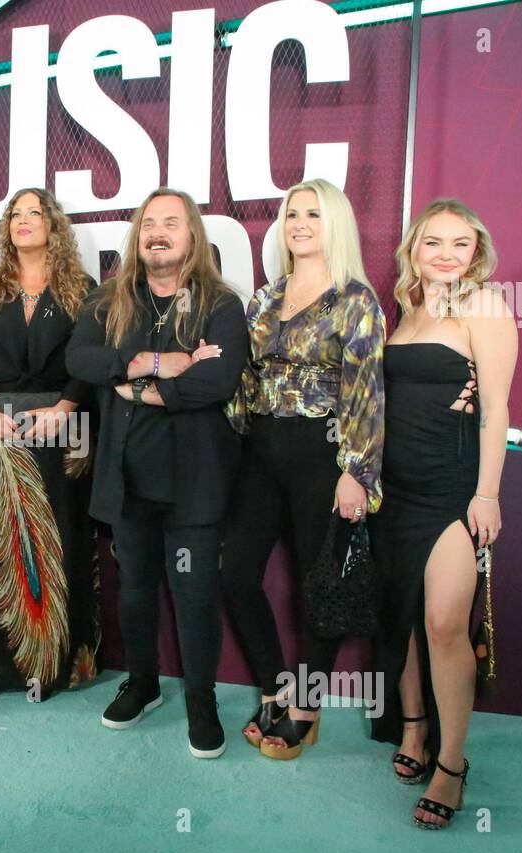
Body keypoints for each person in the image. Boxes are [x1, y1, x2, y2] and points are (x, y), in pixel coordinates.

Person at [65, 188, 246, 759]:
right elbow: (81, 360)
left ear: (192, 235)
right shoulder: (109, 300)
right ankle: (142, 684)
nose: (157, 233)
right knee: (136, 591)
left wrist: (135, 389)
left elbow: (217, 382)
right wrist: (152, 364)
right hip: (127, 483)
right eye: (149, 224)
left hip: (193, 486)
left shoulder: (220, 304)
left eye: (171, 223)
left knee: (194, 596)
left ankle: (200, 699)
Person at [220, 178, 385, 760]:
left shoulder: (356, 300)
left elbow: (366, 391)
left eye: (313, 214)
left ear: (334, 223)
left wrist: (356, 471)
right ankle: (273, 688)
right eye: (292, 213)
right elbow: (244, 384)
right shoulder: (263, 299)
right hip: (260, 450)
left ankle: (307, 710)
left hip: (324, 453)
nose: (300, 223)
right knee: (235, 573)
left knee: (321, 591)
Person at [369, 198, 517, 829]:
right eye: (435, 242)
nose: (447, 255)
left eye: (461, 243)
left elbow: (497, 410)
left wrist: (487, 493)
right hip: (392, 489)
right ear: (415, 250)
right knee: (402, 615)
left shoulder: (484, 306)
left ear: (475, 252)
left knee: (443, 623)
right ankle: (412, 729)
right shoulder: (404, 312)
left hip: (452, 488)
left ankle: (451, 765)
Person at [0, 188, 99, 714]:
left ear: (53, 225)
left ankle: (56, 668)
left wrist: (64, 407)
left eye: (35, 213)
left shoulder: (82, 287)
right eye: (15, 214)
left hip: (67, 431)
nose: (24, 221)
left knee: (62, 547)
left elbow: (91, 364)